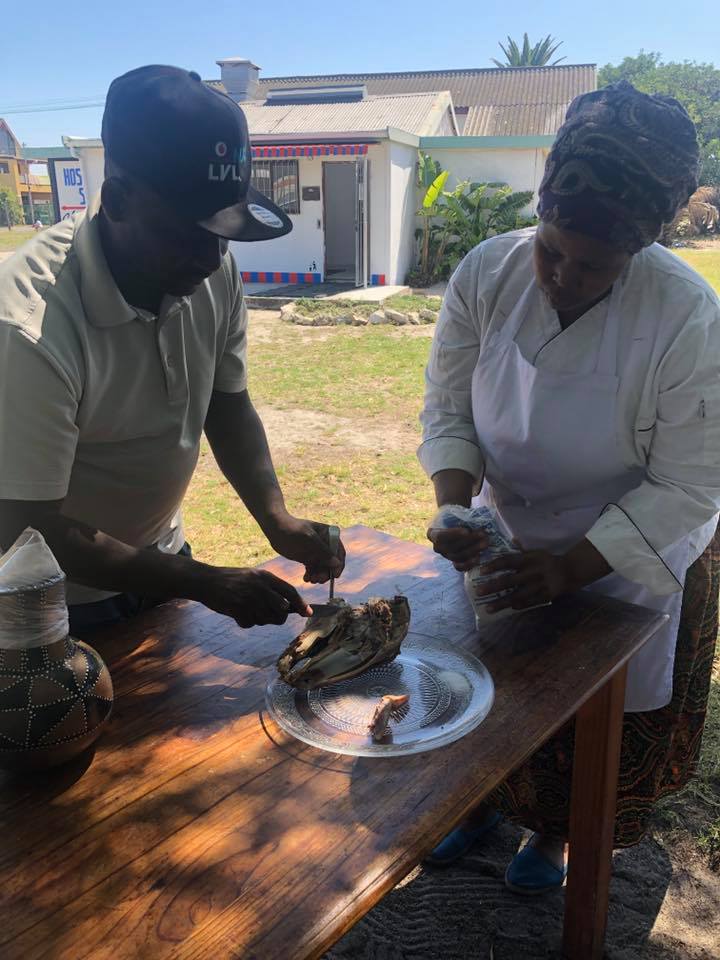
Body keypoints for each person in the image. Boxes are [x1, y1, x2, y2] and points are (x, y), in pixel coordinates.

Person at [418, 81, 720, 892]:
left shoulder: (687, 315)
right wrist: (455, 503)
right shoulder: (489, 270)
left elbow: (691, 483)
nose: (560, 276)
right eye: (552, 249)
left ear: (644, 247)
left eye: (594, 267)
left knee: (594, 712)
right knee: (498, 683)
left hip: (628, 548)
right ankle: (481, 803)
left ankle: (555, 834)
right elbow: (450, 406)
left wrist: (571, 568)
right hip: (508, 527)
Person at [0, 65, 345, 636]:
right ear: (116, 201)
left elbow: (226, 403)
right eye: (189, 232)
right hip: (52, 605)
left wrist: (277, 519)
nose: (211, 258)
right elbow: (27, 528)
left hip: (161, 561)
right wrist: (204, 583)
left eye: (223, 231)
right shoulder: (28, 326)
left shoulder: (211, 270)